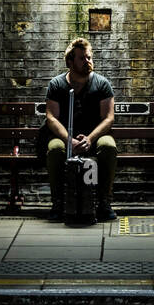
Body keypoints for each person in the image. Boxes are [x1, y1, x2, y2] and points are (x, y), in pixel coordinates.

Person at [44, 38, 118, 222]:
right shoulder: (56, 84)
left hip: (95, 137)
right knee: (54, 149)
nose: (88, 61)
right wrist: (70, 140)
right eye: (82, 58)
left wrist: (90, 139)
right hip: (64, 137)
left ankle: (103, 203)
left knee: (108, 146)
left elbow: (109, 118)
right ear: (70, 62)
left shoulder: (102, 84)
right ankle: (59, 203)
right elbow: (51, 118)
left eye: (89, 57)